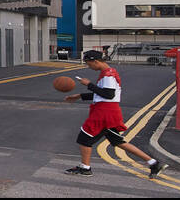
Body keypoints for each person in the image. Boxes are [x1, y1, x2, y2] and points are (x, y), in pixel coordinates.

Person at [65, 48, 167, 178]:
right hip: (109, 111)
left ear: (96, 61)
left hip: (104, 112)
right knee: (118, 141)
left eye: (89, 64)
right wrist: (80, 96)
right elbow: (102, 94)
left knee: (84, 138)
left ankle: (85, 168)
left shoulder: (108, 75)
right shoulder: (108, 73)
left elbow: (108, 94)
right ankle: (154, 163)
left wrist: (88, 84)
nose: (89, 67)